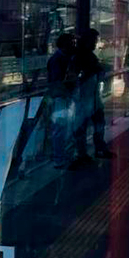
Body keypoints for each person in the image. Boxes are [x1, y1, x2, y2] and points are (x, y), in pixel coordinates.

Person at [73, 29, 111, 161]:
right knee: (83, 125)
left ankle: (97, 148)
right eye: (94, 40)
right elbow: (78, 76)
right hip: (84, 97)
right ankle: (81, 153)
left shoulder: (89, 55)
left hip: (93, 96)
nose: (95, 43)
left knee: (98, 122)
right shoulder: (79, 56)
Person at [47, 33, 78, 168]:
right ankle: (60, 159)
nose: (74, 45)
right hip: (60, 97)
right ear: (65, 44)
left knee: (66, 128)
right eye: (72, 42)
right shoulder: (57, 59)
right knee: (60, 129)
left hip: (66, 97)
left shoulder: (67, 58)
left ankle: (65, 157)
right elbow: (57, 81)